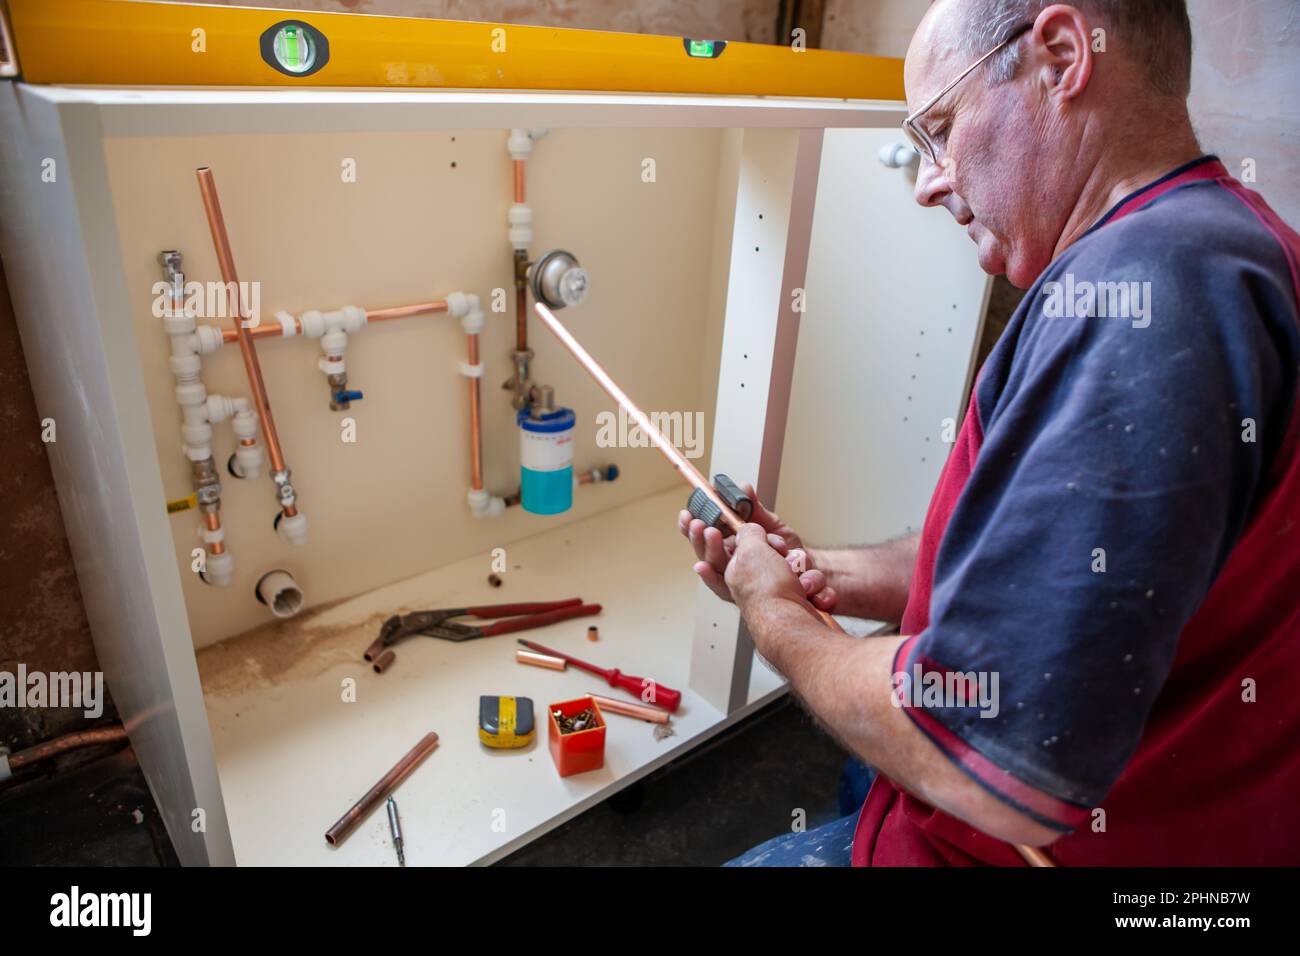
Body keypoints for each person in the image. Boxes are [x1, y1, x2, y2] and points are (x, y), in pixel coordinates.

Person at [682, 0, 1300, 866]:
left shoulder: (1146, 297)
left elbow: (977, 751)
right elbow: (1033, 565)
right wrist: (822, 574)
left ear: (1061, 55)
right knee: (860, 786)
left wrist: (778, 618)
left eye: (939, 128)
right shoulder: (1214, 244)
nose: (928, 179)